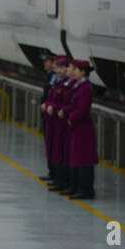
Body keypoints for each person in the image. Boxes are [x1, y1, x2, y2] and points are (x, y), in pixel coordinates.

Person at [55, 59, 98, 200]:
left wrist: (71, 117)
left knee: (84, 160)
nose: (71, 71)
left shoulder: (85, 88)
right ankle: (78, 187)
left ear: (82, 72)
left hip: (83, 128)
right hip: (77, 127)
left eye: (75, 69)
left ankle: (86, 189)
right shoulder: (79, 86)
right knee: (77, 158)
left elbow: (83, 108)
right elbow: (74, 104)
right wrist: (67, 111)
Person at [43, 57, 71, 194]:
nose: (58, 70)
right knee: (55, 150)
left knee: (61, 152)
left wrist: (55, 107)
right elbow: (51, 98)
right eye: (57, 67)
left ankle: (62, 181)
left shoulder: (67, 85)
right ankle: (57, 178)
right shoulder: (58, 83)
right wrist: (48, 104)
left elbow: (68, 104)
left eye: (61, 68)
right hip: (54, 121)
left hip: (62, 122)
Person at [39, 51, 59, 182]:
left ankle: (56, 174)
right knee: (49, 144)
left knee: (54, 145)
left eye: (46, 61)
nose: (44, 63)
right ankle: (52, 172)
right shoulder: (50, 76)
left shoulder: (56, 78)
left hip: (54, 115)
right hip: (48, 114)